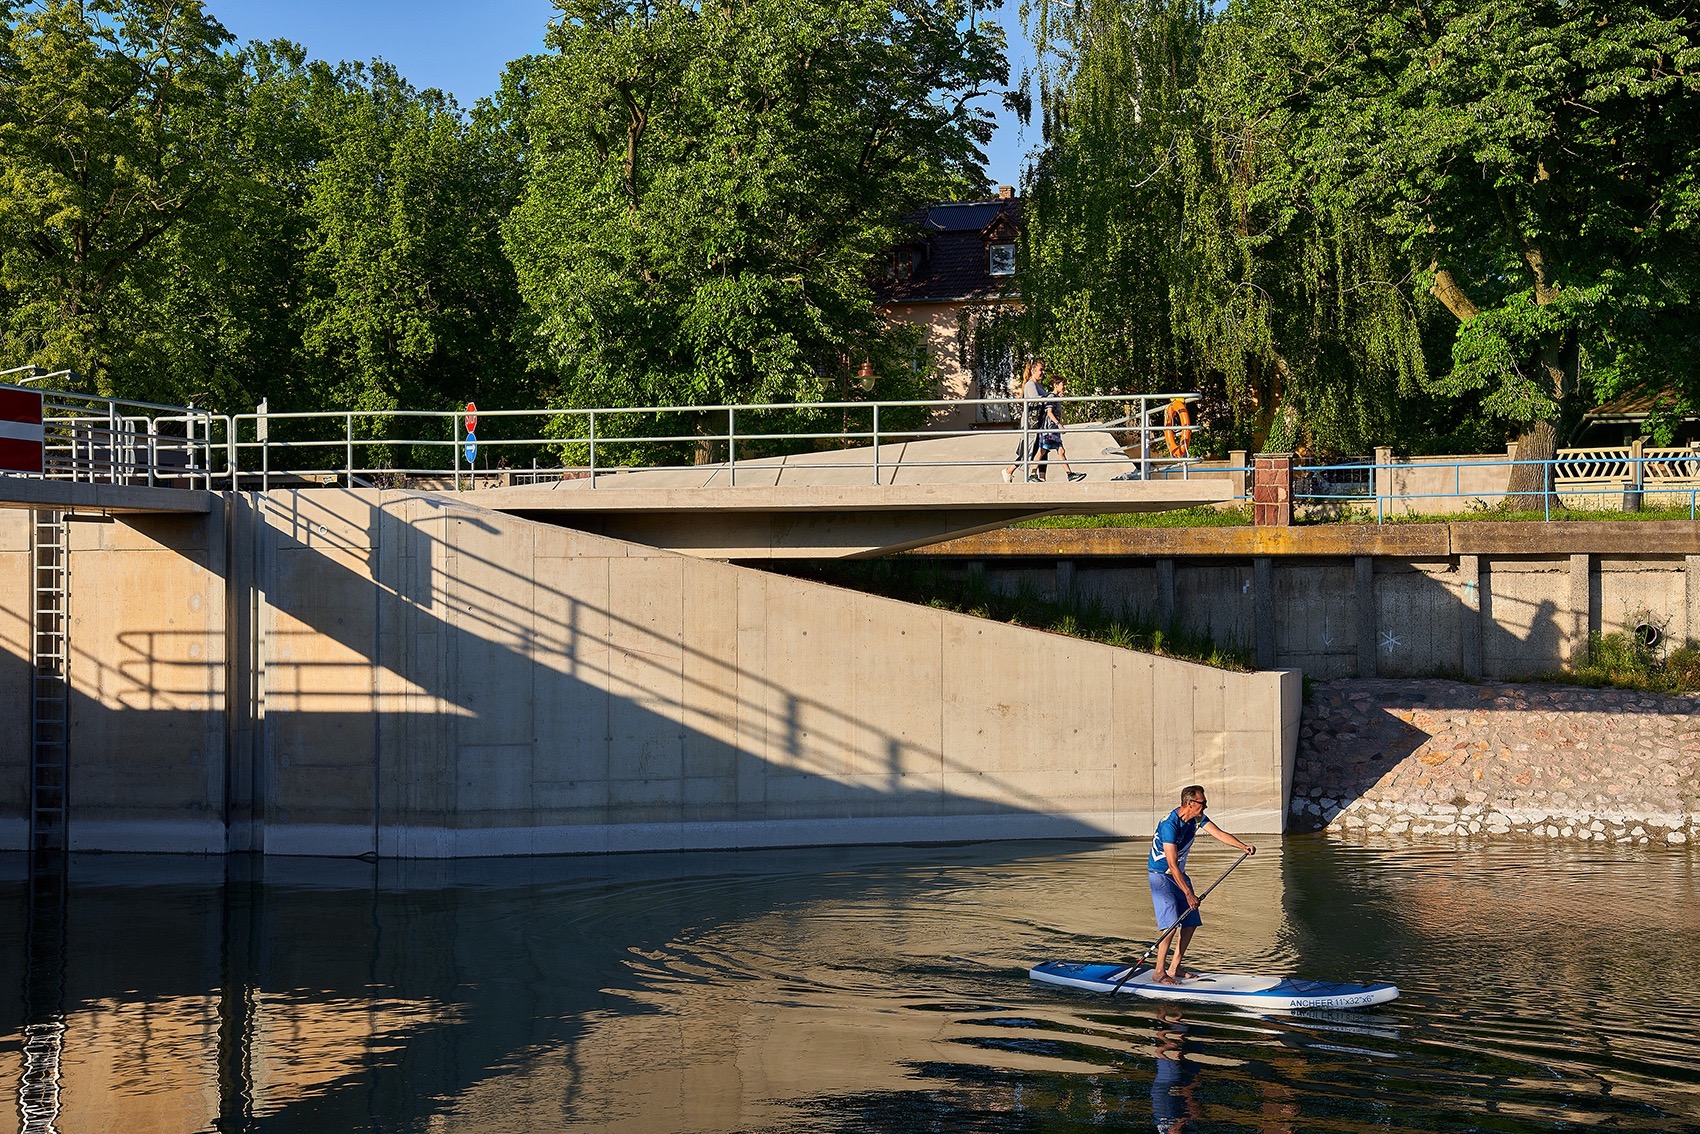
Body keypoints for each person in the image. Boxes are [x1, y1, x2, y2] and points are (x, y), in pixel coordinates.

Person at [1146, 785, 1255, 984]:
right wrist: (1188, 893)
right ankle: (1159, 971)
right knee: (1170, 926)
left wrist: (1242, 846)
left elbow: (1219, 834)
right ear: (1190, 803)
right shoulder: (1170, 825)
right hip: (1160, 876)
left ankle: (1175, 967)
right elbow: (1171, 864)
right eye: (1202, 802)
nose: (1205, 806)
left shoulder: (1196, 819)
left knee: (1191, 922)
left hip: (1178, 874)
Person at [1002, 357, 1048, 483]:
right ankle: (1009, 470)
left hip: (1038, 422)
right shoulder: (1030, 385)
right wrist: (1049, 398)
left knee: (1042, 449)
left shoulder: (1037, 385)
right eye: (1040, 370)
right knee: (1029, 451)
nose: (1042, 372)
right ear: (1033, 370)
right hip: (1031, 423)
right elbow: (1035, 399)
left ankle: (1041, 477)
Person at [1037, 372, 1088, 482]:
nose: (1064, 387)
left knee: (1060, 451)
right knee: (1042, 451)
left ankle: (1069, 474)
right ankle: (1032, 473)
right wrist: (1058, 423)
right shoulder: (1051, 397)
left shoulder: (1056, 397)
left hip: (1054, 430)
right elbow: (1049, 412)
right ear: (1055, 385)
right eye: (1062, 384)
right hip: (1049, 429)